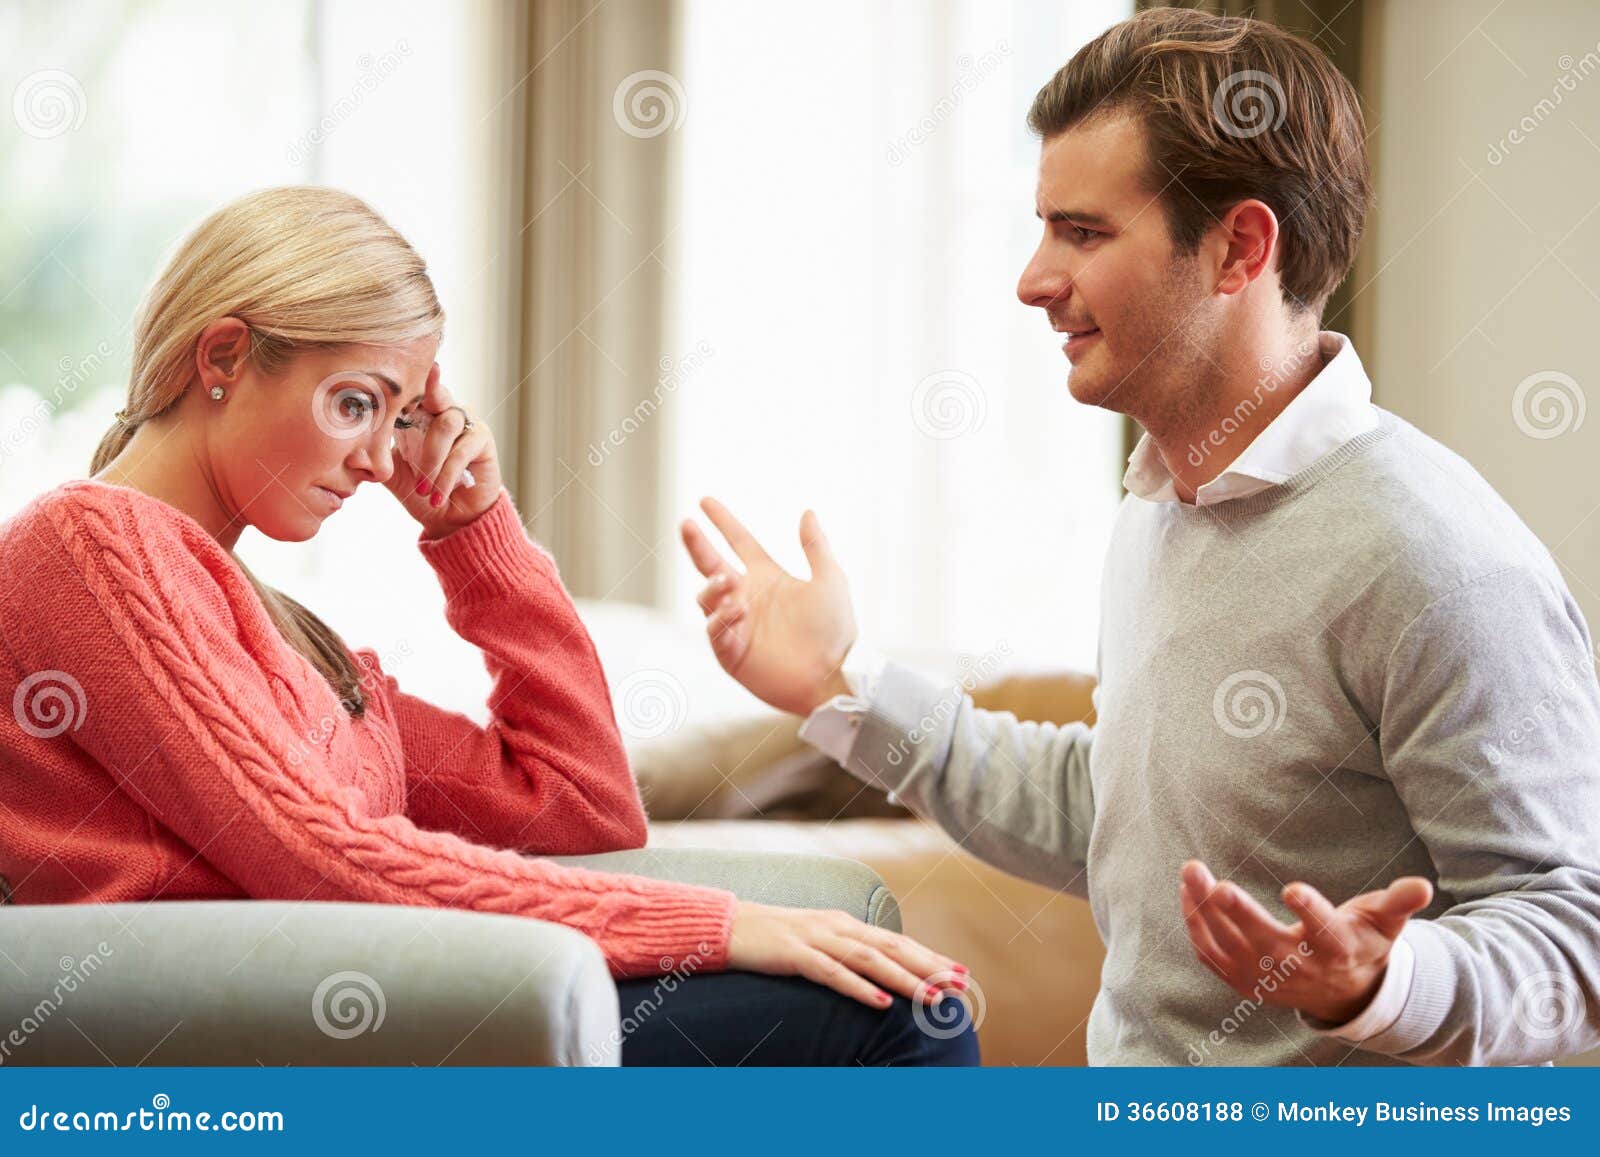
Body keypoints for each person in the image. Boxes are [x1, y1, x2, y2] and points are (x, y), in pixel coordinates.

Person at [681, 7, 1600, 1066]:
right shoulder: (1162, 502)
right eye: (1042, 227)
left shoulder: (1436, 559)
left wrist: (1385, 982)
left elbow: (1575, 930)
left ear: (1238, 249)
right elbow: (1120, 813)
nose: (1032, 279)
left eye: (1082, 232)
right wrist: (840, 682)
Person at [0, 186, 978, 1067]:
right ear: (222, 357)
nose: (380, 460)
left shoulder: (285, 635)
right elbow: (317, 853)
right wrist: (715, 924)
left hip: (372, 1005)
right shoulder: (88, 542)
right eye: (355, 403)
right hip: (251, 1042)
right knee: (892, 1022)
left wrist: (474, 532)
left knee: (901, 1009)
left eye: (399, 419)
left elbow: (582, 808)